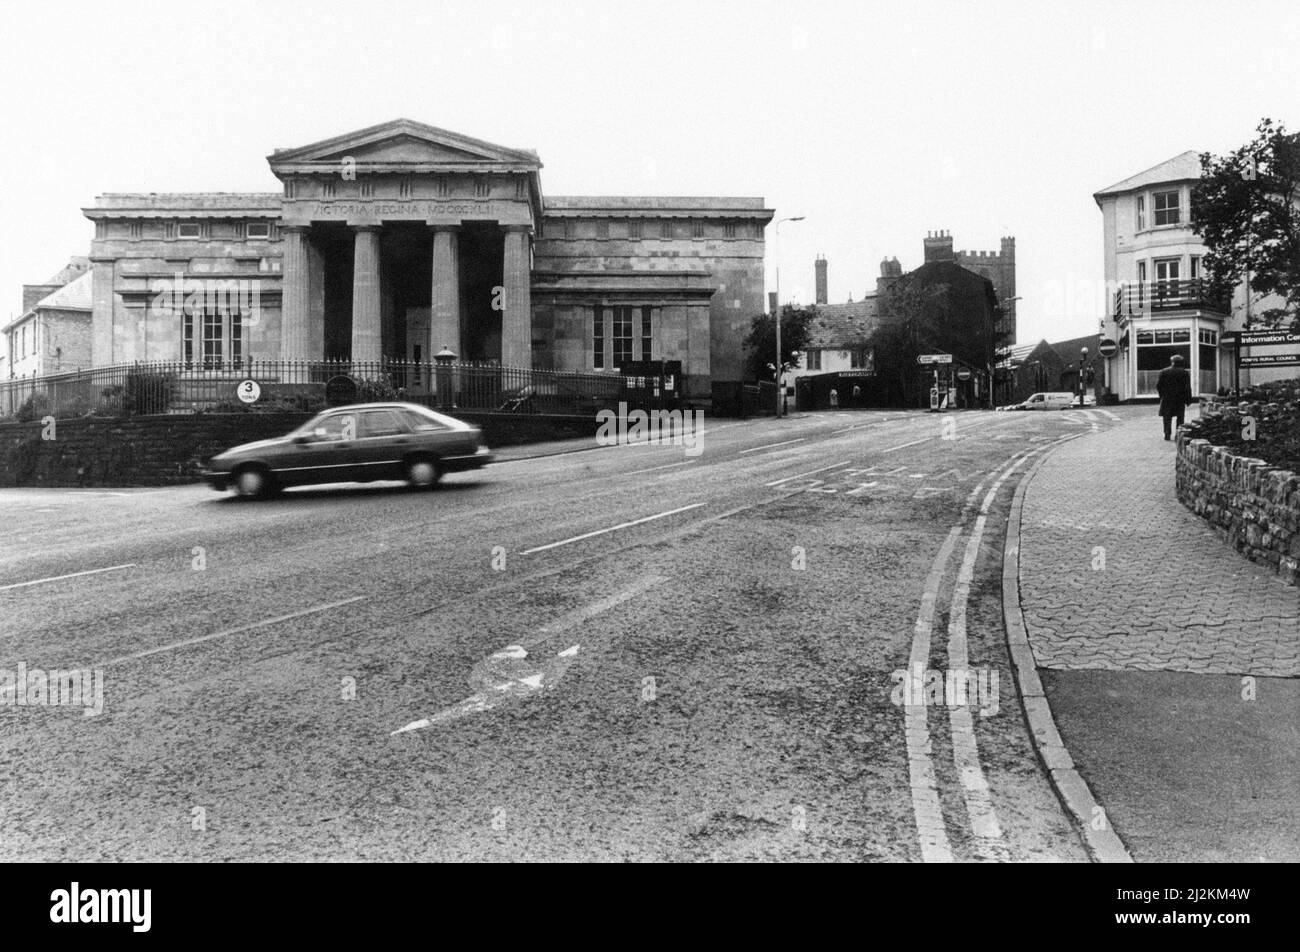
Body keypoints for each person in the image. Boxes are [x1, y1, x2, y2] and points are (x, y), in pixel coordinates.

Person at [1155, 354, 1193, 441]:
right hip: (1180, 399)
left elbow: (1158, 386)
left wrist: (1162, 396)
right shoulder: (1184, 373)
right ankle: (1178, 435)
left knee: (1167, 417)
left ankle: (1167, 434)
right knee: (1180, 417)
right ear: (1180, 362)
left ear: (1172, 362)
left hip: (1167, 398)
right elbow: (1187, 387)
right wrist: (1188, 400)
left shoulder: (1163, 372)